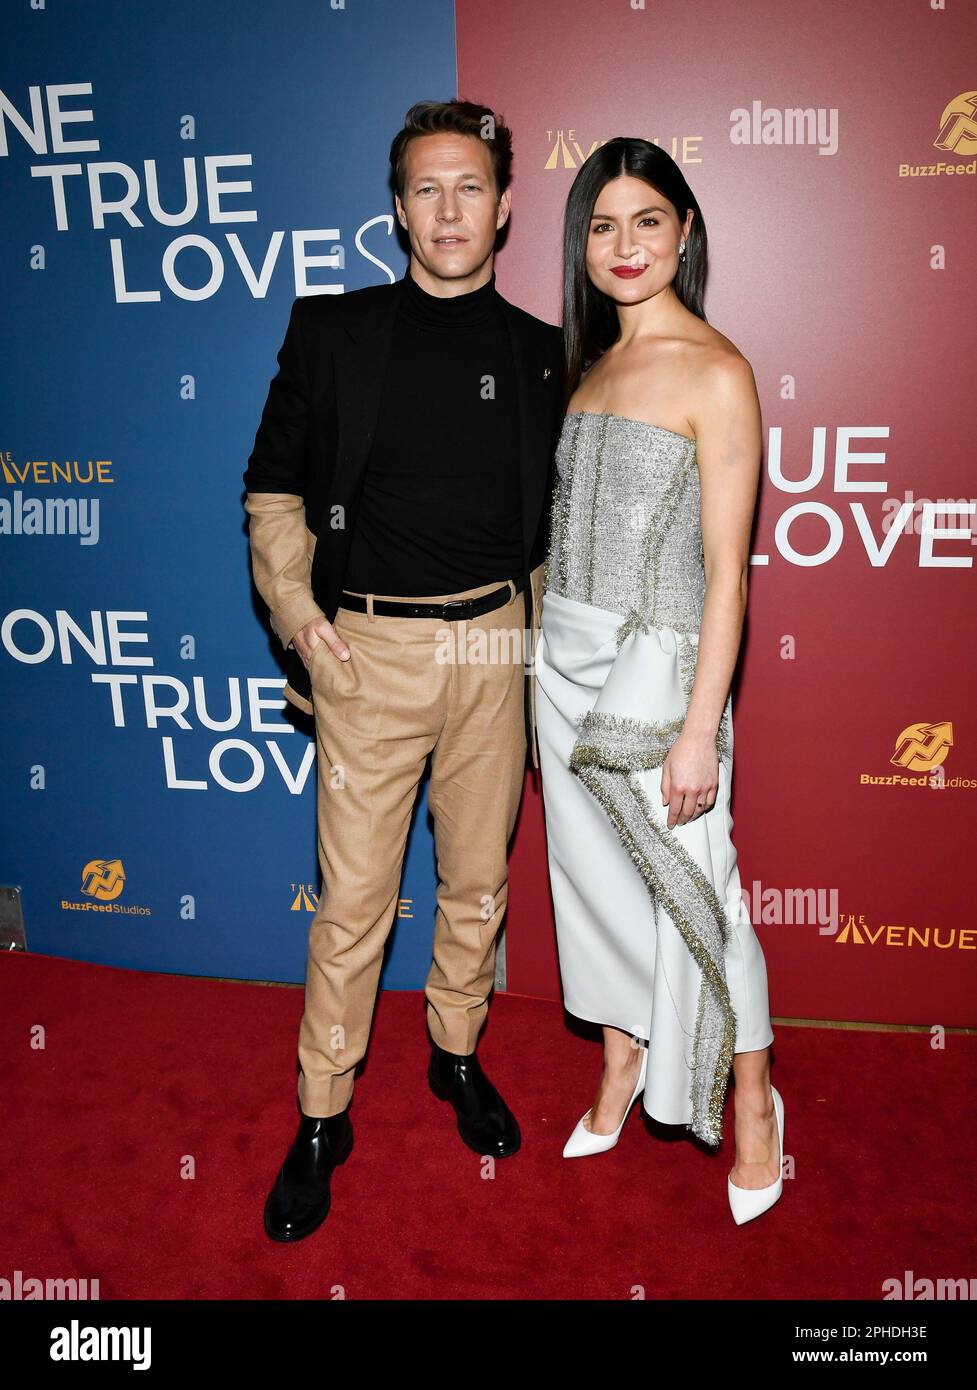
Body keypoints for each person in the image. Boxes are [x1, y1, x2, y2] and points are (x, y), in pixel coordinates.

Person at [243, 100, 563, 1242]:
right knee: (354, 906)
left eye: (468, 187)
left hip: (496, 646)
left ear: (504, 205)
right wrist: (296, 612)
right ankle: (322, 1113)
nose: (446, 209)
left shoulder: (542, 354)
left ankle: (455, 1053)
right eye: (424, 189)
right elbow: (274, 487)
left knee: (477, 882)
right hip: (368, 650)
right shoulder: (332, 332)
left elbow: (556, 529)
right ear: (395, 209)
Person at [533, 137, 784, 1224]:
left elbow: (728, 569)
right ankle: (619, 1060)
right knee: (589, 890)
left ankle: (756, 1099)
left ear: (683, 232)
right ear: (579, 245)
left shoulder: (717, 370)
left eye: (645, 220)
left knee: (700, 893)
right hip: (561, 661)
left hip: (657, 668)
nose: (623, 245)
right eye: (601, 224)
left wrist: (698, 728)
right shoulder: (586, 369)